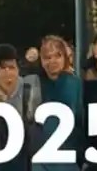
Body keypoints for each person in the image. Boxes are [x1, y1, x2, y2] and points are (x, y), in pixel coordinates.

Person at [32, 37, 78, 171]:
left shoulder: (75, 84)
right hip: (41, 160)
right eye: (47, 57)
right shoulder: (35, 84)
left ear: (65, 57)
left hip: (69, 159)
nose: (52, 61)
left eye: (57, 55)